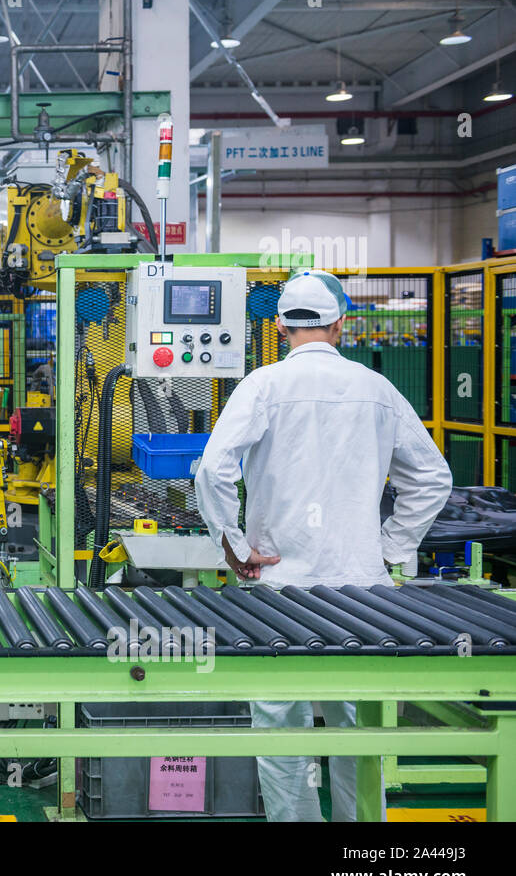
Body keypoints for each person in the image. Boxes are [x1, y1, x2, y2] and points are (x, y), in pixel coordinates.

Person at [193, 270, 452, 822]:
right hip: (363, 591)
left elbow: (212, 469)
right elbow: (432, 478)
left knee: (280, 727)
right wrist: (390, 547)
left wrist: (233, 545)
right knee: (358, 725)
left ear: (280, 326)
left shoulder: (262, 386)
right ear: (341, 324)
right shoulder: (377, 390)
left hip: (277, 588)